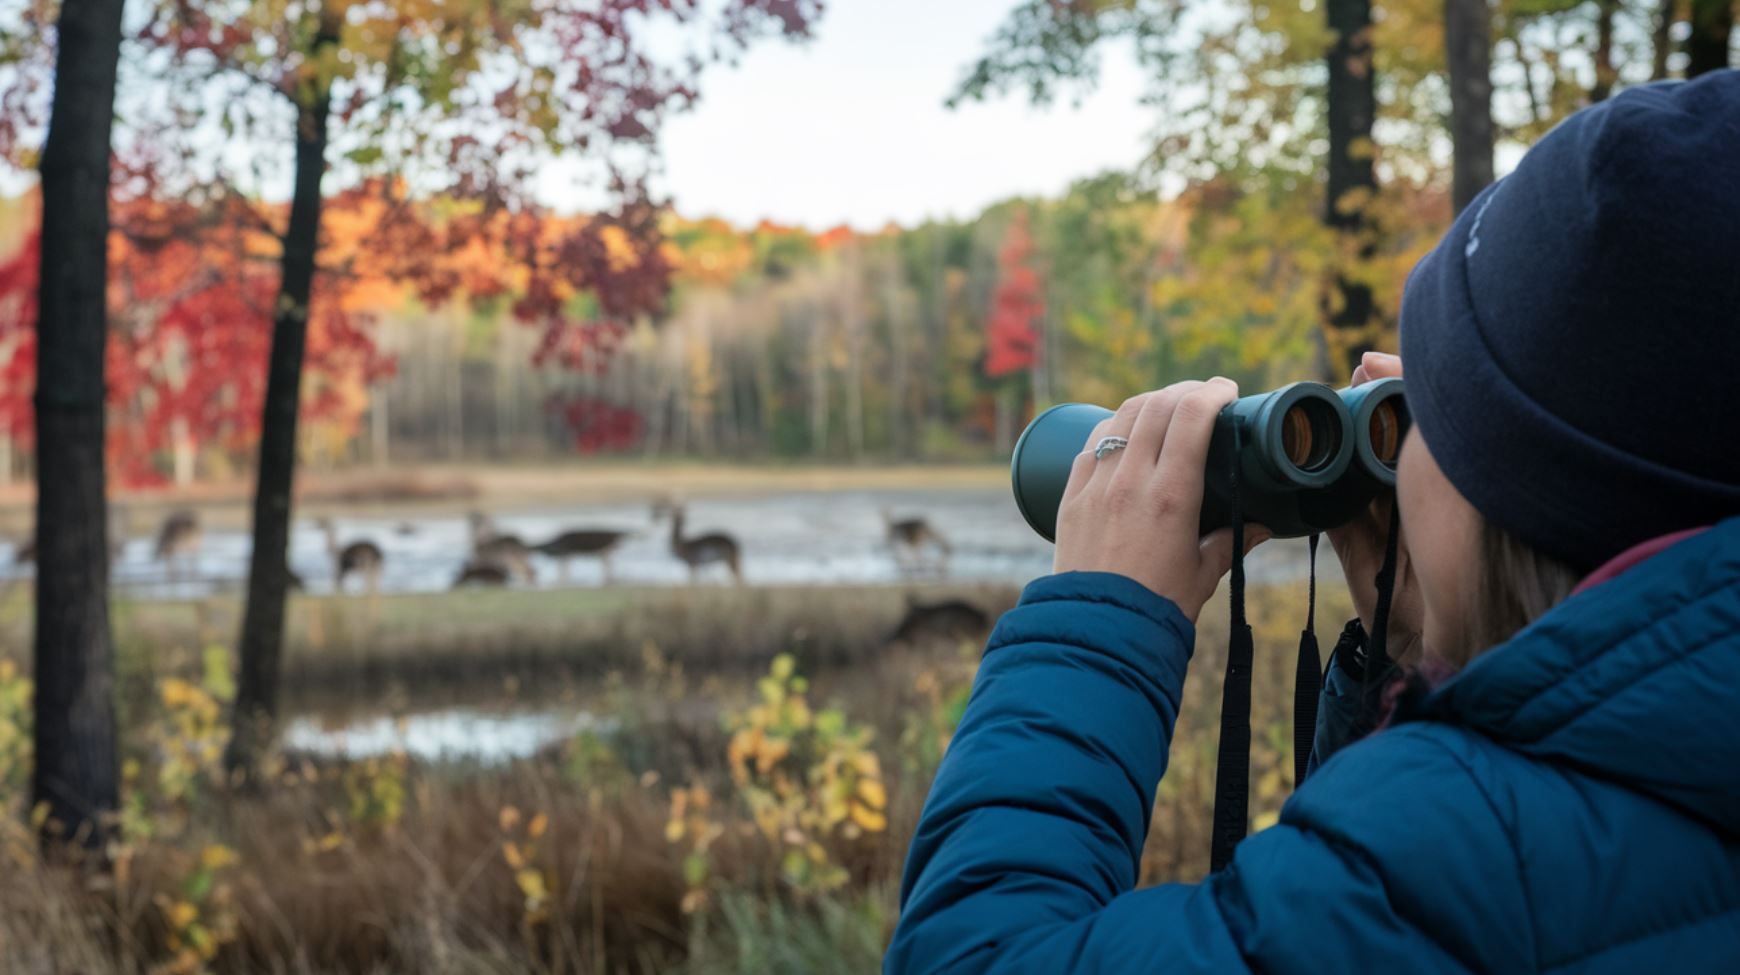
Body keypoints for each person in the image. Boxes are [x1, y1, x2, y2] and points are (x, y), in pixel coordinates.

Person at [887, 72, 1740, 973]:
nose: (1404, 462)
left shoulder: (1465, 850)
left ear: (1512, 497)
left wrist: (1095, 621)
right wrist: (1416, 662)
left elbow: (969, 956)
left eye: (1433, 414)